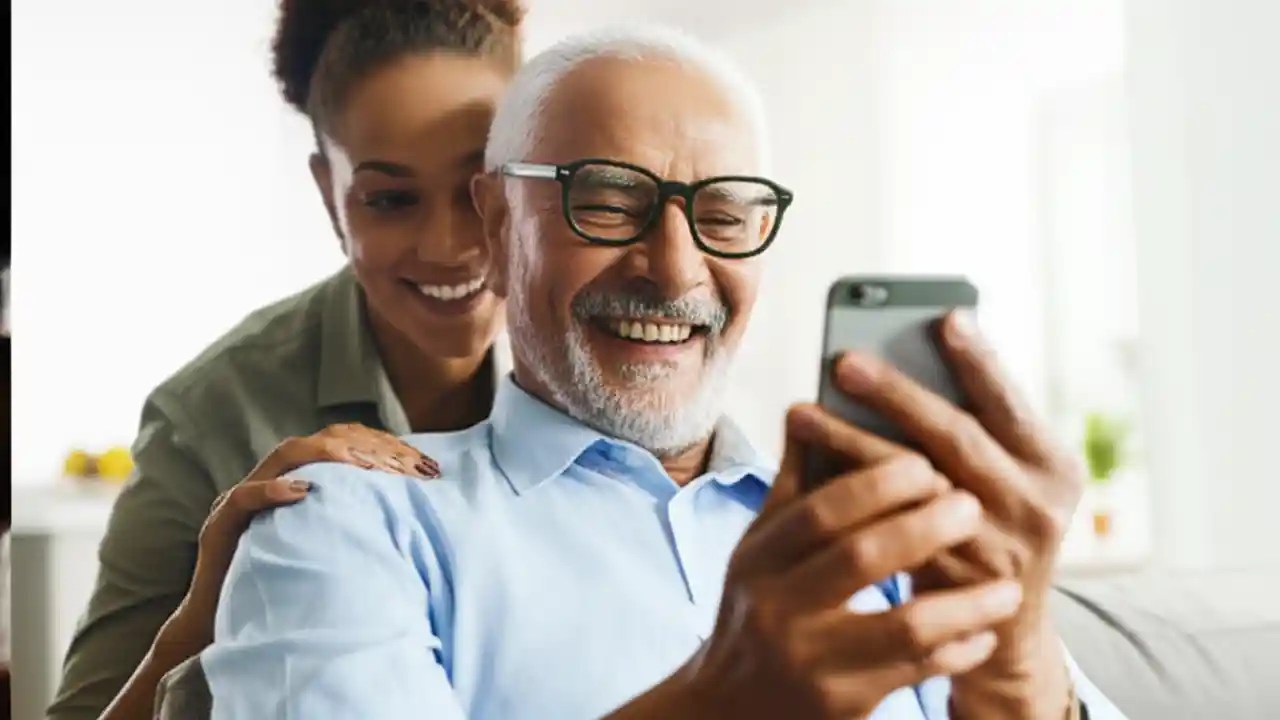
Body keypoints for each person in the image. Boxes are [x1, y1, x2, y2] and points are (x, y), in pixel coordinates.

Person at [203, 26, 1125, 719]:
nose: (677, 271)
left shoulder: (887, 527)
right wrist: (720, 699)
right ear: (495, 220)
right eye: (607, 201)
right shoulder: (346, 521)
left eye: (725, 216)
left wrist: (1019, 675)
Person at [47, 2, 525, 719]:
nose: (448, 244)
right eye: (389, 199)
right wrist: (203, 615)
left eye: (478, 187)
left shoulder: (593, 360)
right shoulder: (209, 416)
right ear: (330, 199)